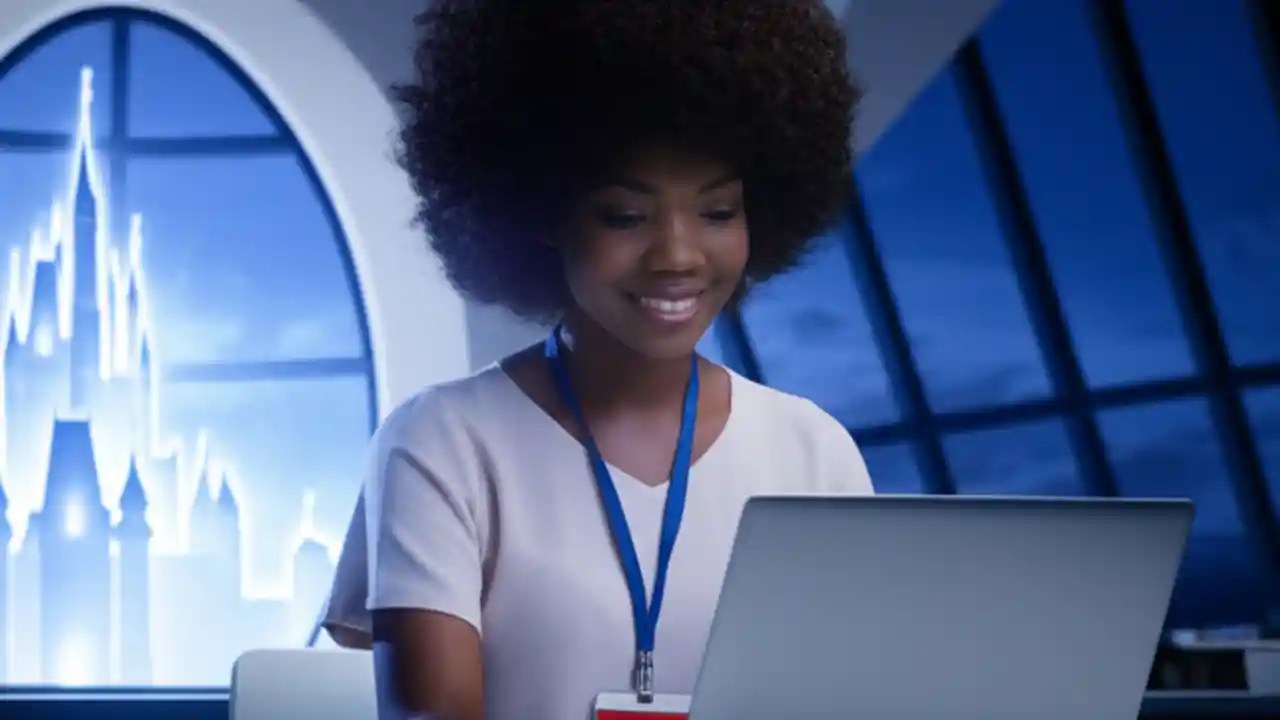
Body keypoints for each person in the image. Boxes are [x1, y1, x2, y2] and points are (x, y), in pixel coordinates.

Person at [322, 1, 874, 718]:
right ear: (542, 216)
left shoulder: (813, 451)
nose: (678, 255)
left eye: (717, 212)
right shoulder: (441, 443)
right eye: (625, 215)